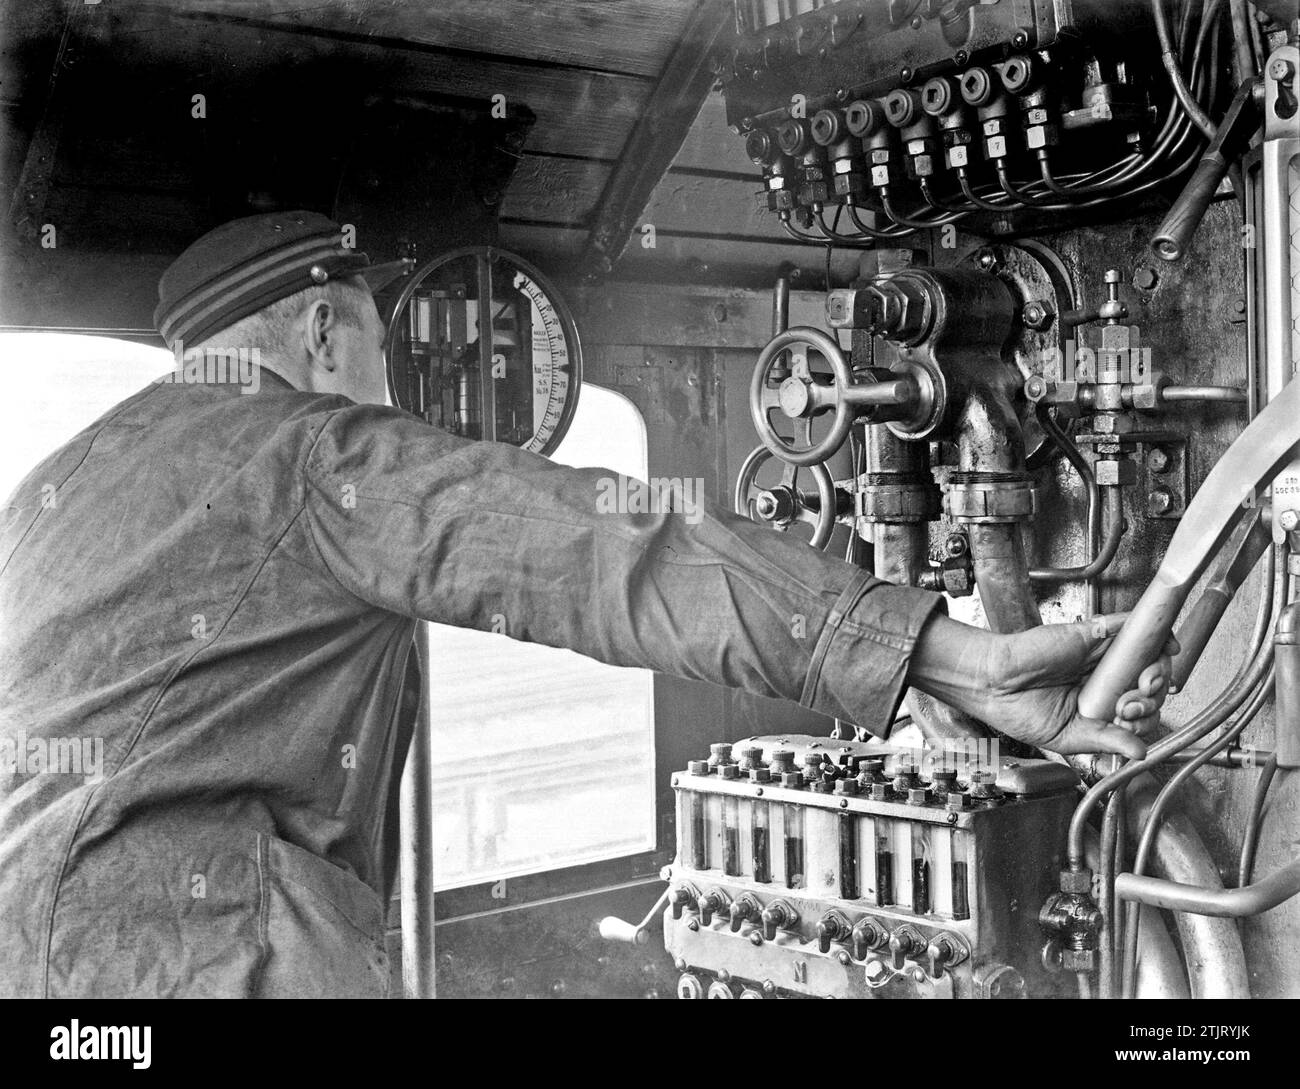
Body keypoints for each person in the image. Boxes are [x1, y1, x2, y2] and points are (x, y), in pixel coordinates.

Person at [0, 211, 1171, 998]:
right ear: (319, 330)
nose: (391, 384)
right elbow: (601, 551)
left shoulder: (59, 481)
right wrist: (950, 656)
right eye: (375, 338)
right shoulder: (307, 451)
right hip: (194, 957)